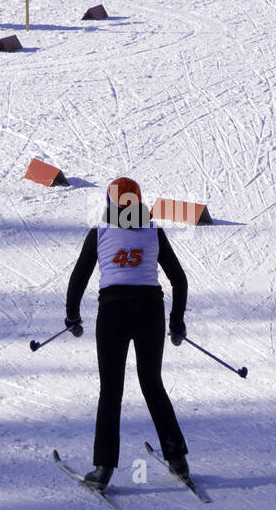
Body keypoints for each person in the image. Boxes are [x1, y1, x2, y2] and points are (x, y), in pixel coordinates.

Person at [64, 178, 191, 492]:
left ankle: (103, 469)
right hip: (150, 312)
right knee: (152, 384)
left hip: (113, 313)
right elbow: (180, 280)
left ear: (110, 204)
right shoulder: (154, 232)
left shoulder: (100, 232)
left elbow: (78, 278)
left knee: (111, 391)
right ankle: (178, 461)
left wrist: (72, 317)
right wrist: (176, 323)